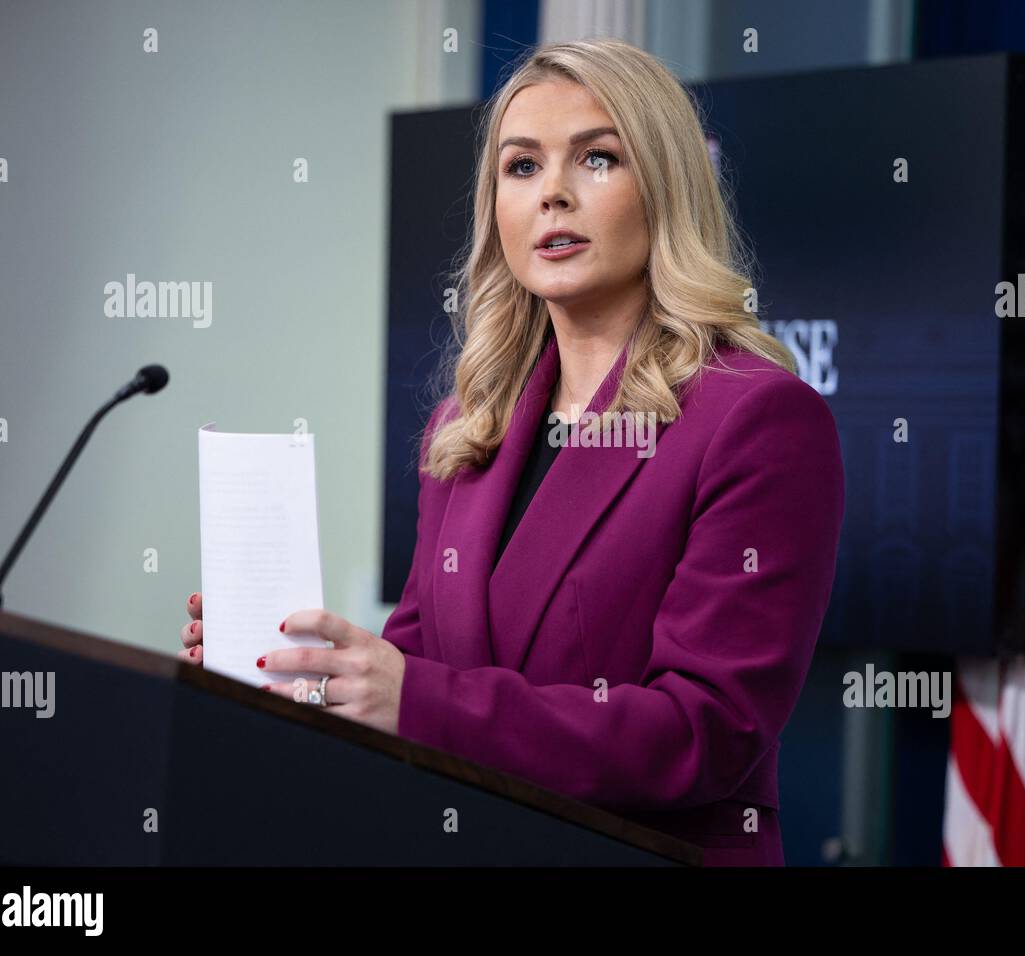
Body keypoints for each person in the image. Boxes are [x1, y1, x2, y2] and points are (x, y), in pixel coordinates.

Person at [181, 37, 844, 866]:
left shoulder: (757, 418)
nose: (553, 194)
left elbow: (705, 731)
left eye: (597, 159)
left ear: (667, 189)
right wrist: (304, 675)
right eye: (521, 167)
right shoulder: (471, 423)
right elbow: (419, 664)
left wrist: (416, 701)